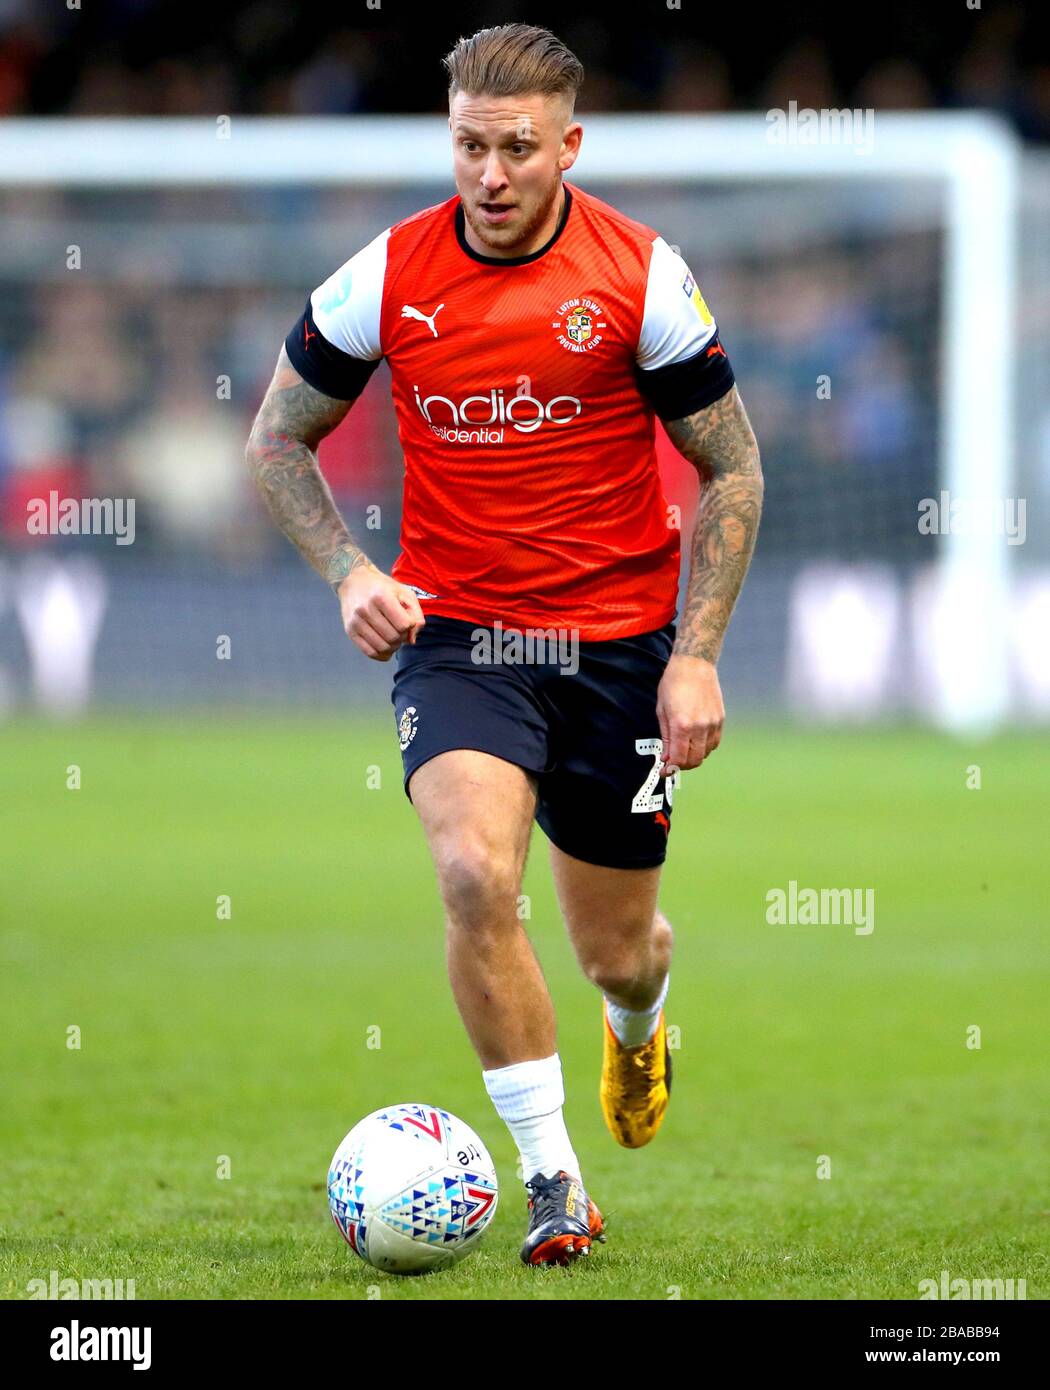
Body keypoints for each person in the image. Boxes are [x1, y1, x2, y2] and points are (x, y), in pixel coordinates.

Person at [246, 23, 763, 1267]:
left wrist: (695, 654)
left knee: (616, 948)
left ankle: (638, 1023)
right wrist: (352, 571)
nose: (489, 173)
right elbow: (276, 439)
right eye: (470, 145)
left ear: (568, 146)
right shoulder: (385, 275)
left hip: (618, 643)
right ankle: (553, 1182)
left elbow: (732, 463)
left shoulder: (638, 275)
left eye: (516, 149)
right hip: (461, 638)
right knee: (477, 875)